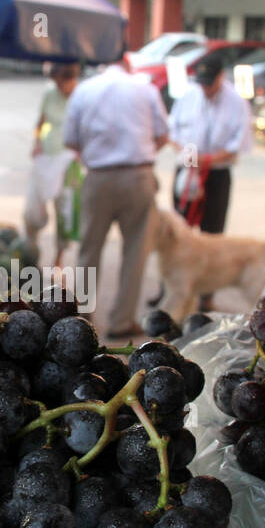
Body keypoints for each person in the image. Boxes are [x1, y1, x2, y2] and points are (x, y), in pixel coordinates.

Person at [63, 55, 169, 339]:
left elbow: (70, 140)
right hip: (138, 175)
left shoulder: (84, 90)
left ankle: (83, 318)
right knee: (136, 251)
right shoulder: (145, 88)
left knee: (89, 249)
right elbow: (162, 135)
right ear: (126, 61)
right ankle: (121, 321)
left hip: (98, 177)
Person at [168, 51, 252, 234]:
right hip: (187, 169)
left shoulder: (237, 102)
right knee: (179, 231)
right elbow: (172, 131)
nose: (205, 89)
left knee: (212, 231)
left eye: (210, 84)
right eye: (203, 84)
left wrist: (206, 160)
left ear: (221, 76)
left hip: (216, 174)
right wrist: (190, 155)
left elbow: (237, 145)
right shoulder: (188, 95)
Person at [26, 62, 81, 267]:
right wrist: (37, 142)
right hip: (46, 156)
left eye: (63, 82)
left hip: (68, 161)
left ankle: (58, 258)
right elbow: (41, 123)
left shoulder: (81, 98)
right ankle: (30, 251)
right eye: (56, 82)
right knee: (32, 210)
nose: (59, 86)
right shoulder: (49, 94)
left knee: (63, 212)